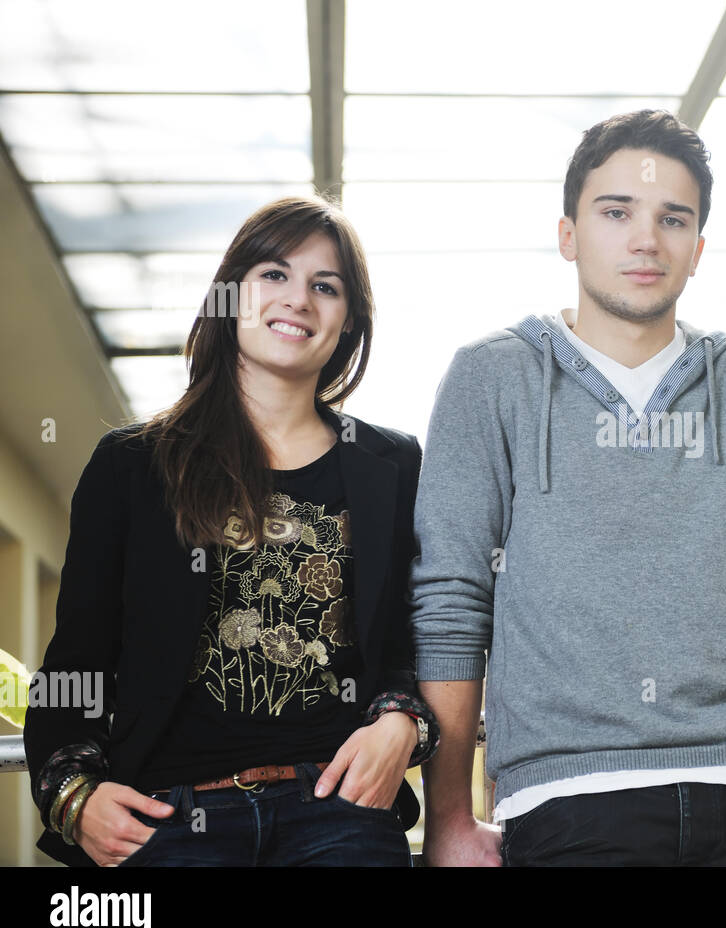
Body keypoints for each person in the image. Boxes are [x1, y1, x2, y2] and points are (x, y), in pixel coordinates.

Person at [412, 109, 726, 867]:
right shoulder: (491, 377)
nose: (646, 240)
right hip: (566, 804)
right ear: (568, 234)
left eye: (672, 219)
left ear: (698, 249)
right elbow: (451, 598)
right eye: (616, 212)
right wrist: (450, 813)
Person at [24, 196, 437, 866]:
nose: (298, 299)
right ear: (229, 296)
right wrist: (72, 794)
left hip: (341, 808)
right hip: (166, 811)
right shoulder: (133, 464)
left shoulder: (392, 464)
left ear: (349, 321)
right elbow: (78, 657)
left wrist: (402, 721)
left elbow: (418, 639)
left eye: (325, 286)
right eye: (274, 275)